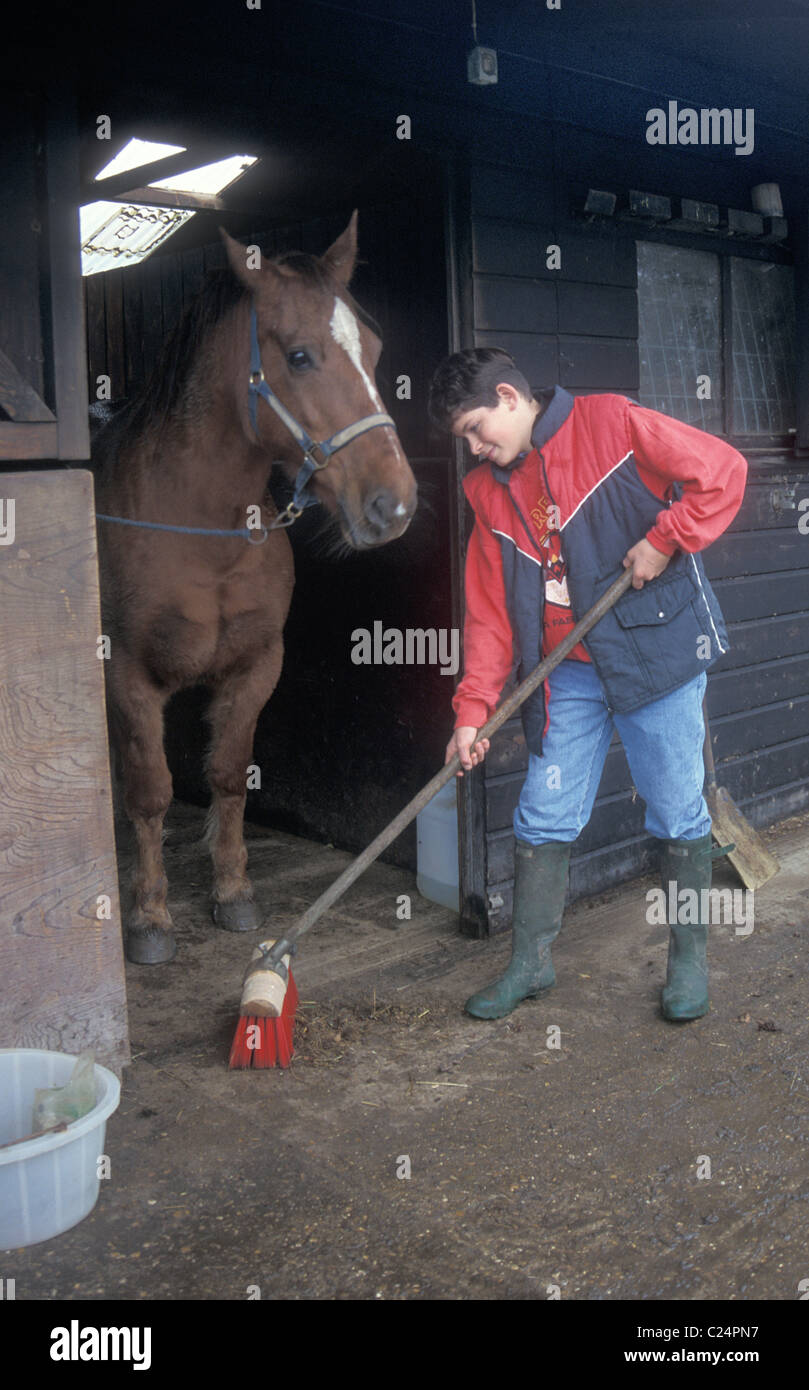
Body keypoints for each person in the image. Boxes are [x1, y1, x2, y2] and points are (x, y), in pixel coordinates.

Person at [427, 348, 747, 1023]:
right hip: (564, 676)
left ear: (510, 397)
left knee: (675, 810)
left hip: (651, 657)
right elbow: (487, 614)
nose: (478, 449)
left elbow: (721, 471)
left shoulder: (610, 424)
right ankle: (530, 964)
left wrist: (667, 538)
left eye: (479, 429)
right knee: (542, 815)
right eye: (466, 441)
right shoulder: (488, 495)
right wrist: (472, 711)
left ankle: (687, 960)